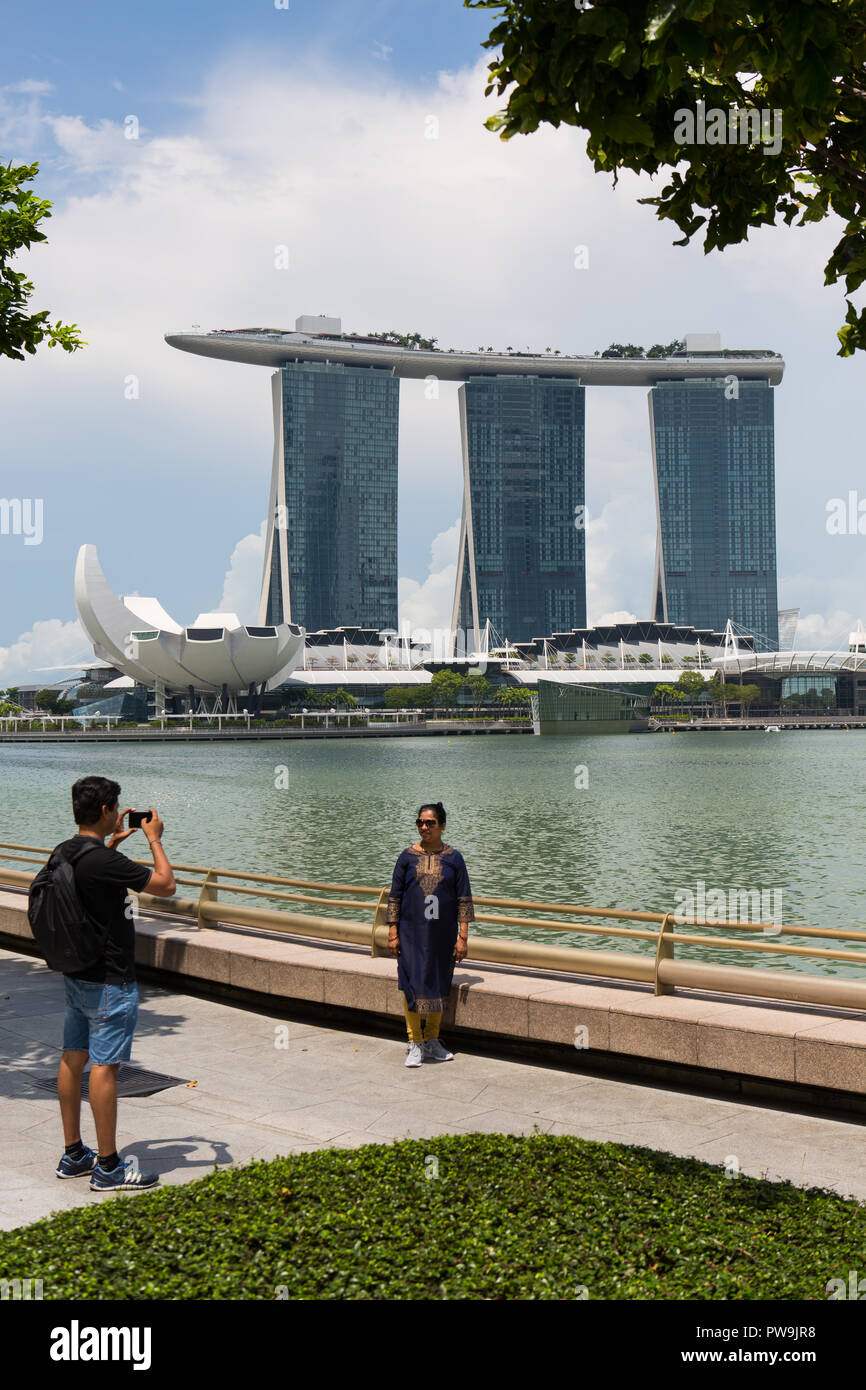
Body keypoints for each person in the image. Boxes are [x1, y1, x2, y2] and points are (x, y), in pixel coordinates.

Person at [54, 776, 177, 1191]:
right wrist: (154, 839)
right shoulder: (103, 861)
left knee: (73, 1059)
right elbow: (165, 885)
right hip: (109, 979)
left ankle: (74, 1155)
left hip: (76, 974)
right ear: (107, 811)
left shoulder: (67, 851)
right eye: (117, 806)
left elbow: (90, 881)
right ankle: (108, 1166)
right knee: (105, 1068)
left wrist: (113, 845)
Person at [386, 802, 474, 1067]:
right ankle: (414, 1043)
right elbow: (394, 897)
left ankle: (432, 1041)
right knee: (410, 984)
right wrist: (393, 932)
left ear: (442, 826)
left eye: (430, 823)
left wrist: (463, 937)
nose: (424, 827)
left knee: (438, 984)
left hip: (442, 934)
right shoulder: (406, 857)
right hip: (411, 933)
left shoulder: (454, 859)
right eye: (420, 823)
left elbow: (464, 899)